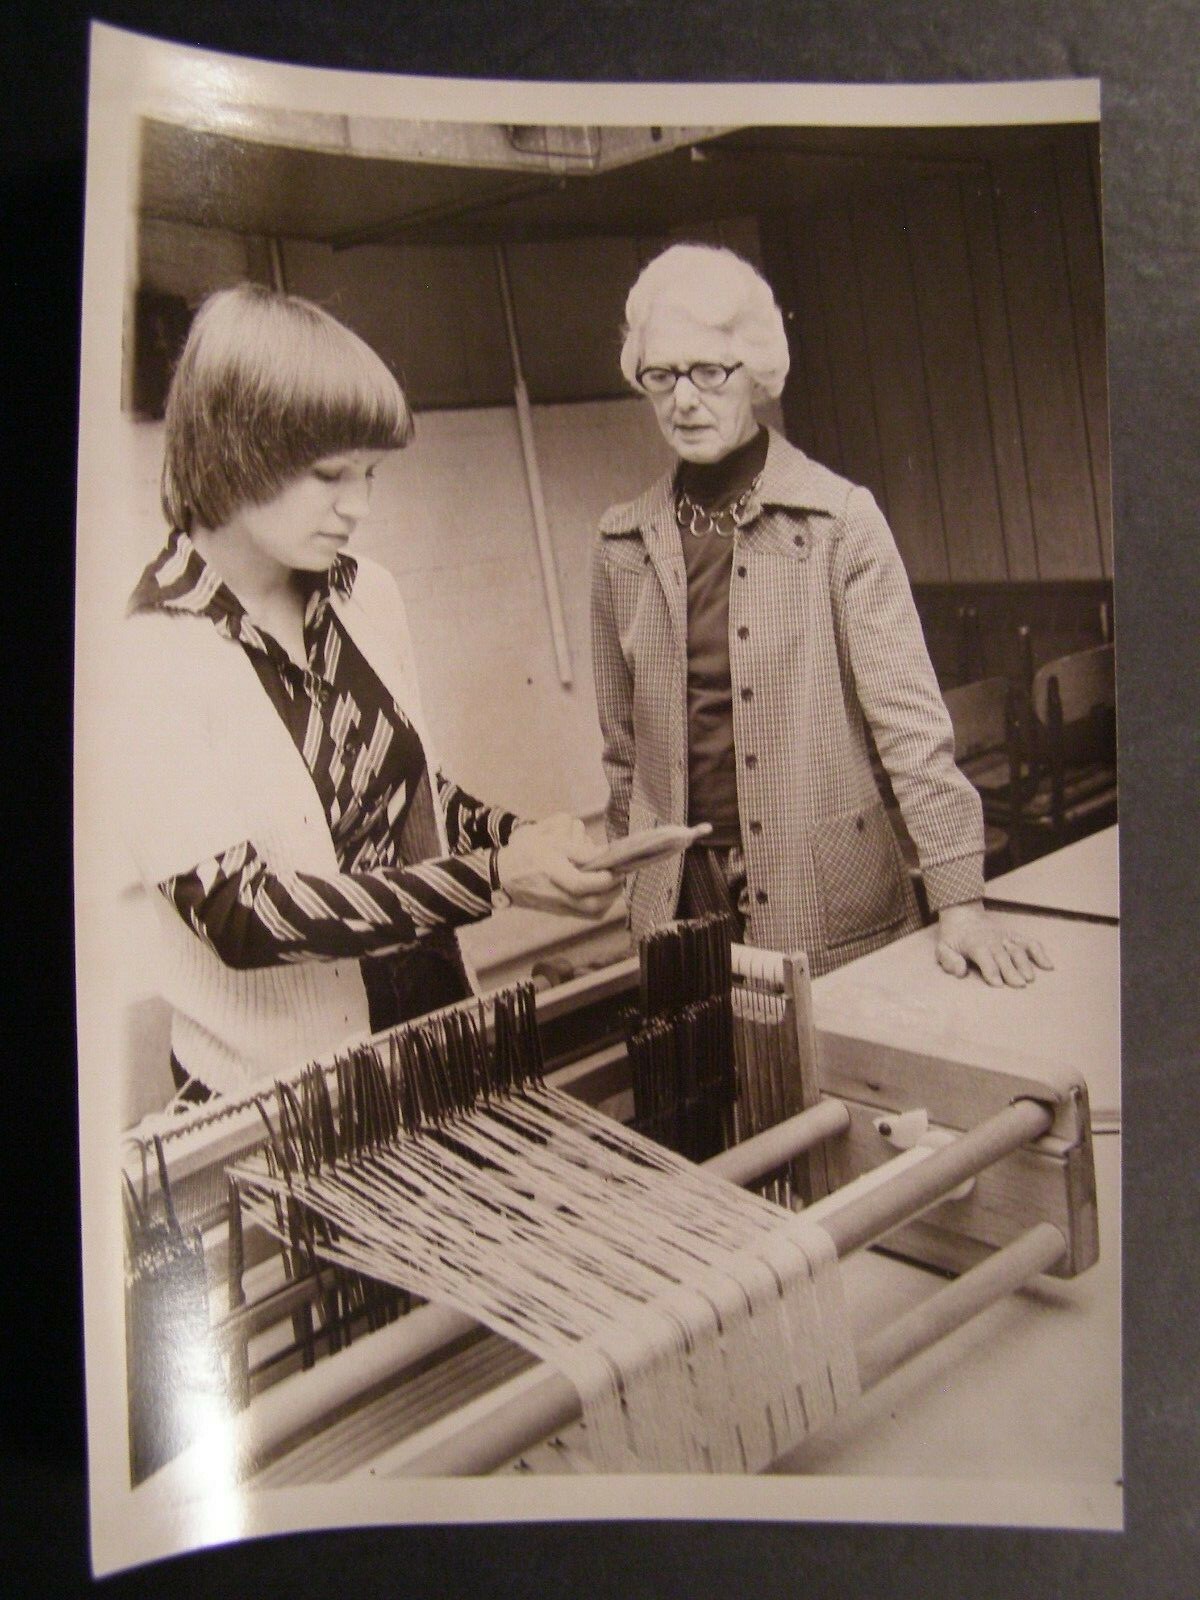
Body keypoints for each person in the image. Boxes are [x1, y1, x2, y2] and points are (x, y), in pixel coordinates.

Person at [122, 284, 617, 1103]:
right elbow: (246, 916)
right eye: (329, 475)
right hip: (290, 1096)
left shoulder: (366, 594)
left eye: (371, 473)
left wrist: (525, 838)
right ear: (234, 448)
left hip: (437, 1029)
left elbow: (409, 795)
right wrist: (495, 875)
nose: (359, 506)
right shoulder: (148, 655)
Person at [591, 243, 1051, 986]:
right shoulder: (620, 543)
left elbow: (910, 722)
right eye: (661, 375)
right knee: (707, 1094)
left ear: (759, 373)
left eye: (710, 371)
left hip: (824, 890)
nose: (683, 399)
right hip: (675, 895)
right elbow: (621, 748)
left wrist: (960, 899)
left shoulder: (841, 521)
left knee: (828, 1088)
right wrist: (632, 883)